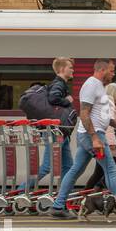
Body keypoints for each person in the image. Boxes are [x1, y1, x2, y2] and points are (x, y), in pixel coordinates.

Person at [48, 59, 116, 218]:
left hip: (92, 134)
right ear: (102, 70)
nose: (113, 74)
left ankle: (58, 206)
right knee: (111, 169)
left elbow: (99, 114)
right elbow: (85, 114)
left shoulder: (99, 86)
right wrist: (94, 138)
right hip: (92, 134)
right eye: (112, 71)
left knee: (76, 170)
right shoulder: (91, 85)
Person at [28, 57, 76, 190]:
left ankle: (64, 196)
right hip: (55, 132)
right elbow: (53, 98)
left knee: (68, 167)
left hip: (61, 132)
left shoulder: (61, 84)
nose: (73, 70)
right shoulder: (58, 84)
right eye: (70, 67)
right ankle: (21, 191)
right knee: (46, 167)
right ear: (61, 69)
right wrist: (67, 100)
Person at [85, 82, 116, 191]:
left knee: (100, 173)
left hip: (115, 146)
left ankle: (91, 192)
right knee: (113, 171)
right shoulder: (108, 103)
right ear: (114, 93)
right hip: (110, 145)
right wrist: (111, 141)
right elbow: (107, 125)